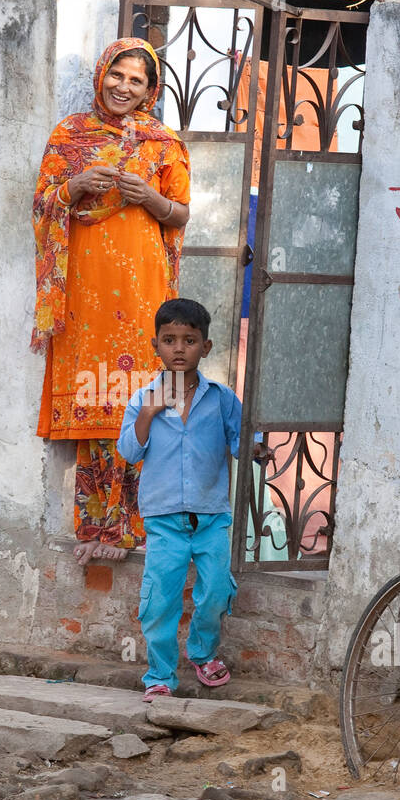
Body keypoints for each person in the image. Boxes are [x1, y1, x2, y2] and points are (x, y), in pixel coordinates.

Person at [32, 38, 191, 566]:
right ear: (102, 75)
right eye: (117, 75)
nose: (124, 87)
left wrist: (150, 198)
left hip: (144, 290)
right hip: (86, 294)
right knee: (94, 403)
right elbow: (42, 204)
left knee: (138, 401)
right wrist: (74, 185)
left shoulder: (163, 143)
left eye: (136, 80)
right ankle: (98, 524)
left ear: (151, 90)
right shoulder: (70, 135)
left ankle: (137, 525)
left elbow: (182, 214)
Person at [117, 297, 241, 701]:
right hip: (164, 519)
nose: (179, 348)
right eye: (169, 340)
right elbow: (130, 453)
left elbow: (241, 441)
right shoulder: (142, 398)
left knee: (217, 590)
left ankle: (202, 654)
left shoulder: (221, 399)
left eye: (189, 340)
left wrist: (257, 449)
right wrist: (148, 414)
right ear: (156, 346)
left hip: (211, 516)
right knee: (160, 601)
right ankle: (160, 675)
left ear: (205, 347)